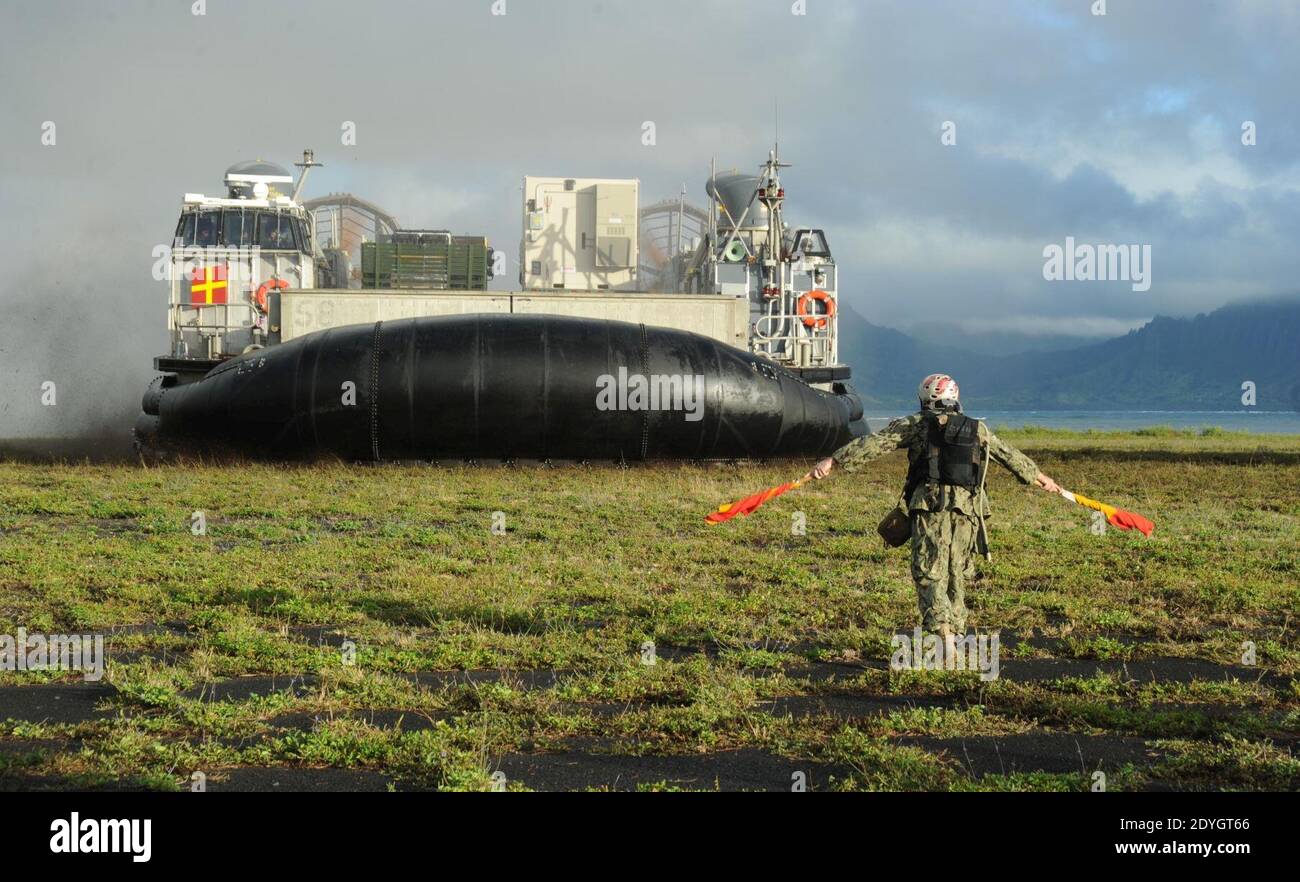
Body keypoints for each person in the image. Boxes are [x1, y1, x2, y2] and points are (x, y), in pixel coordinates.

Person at [806, 374, 1060, 657]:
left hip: (930, 505)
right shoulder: (978, 430)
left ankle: (944, 638)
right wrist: (1041, 478)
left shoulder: (916, 425)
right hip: (968, 510)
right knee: (957, 570)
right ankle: (957, 634)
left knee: (929, 570)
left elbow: (876, 443)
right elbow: (1009, 455)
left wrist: (834, 461)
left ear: (925, 398)